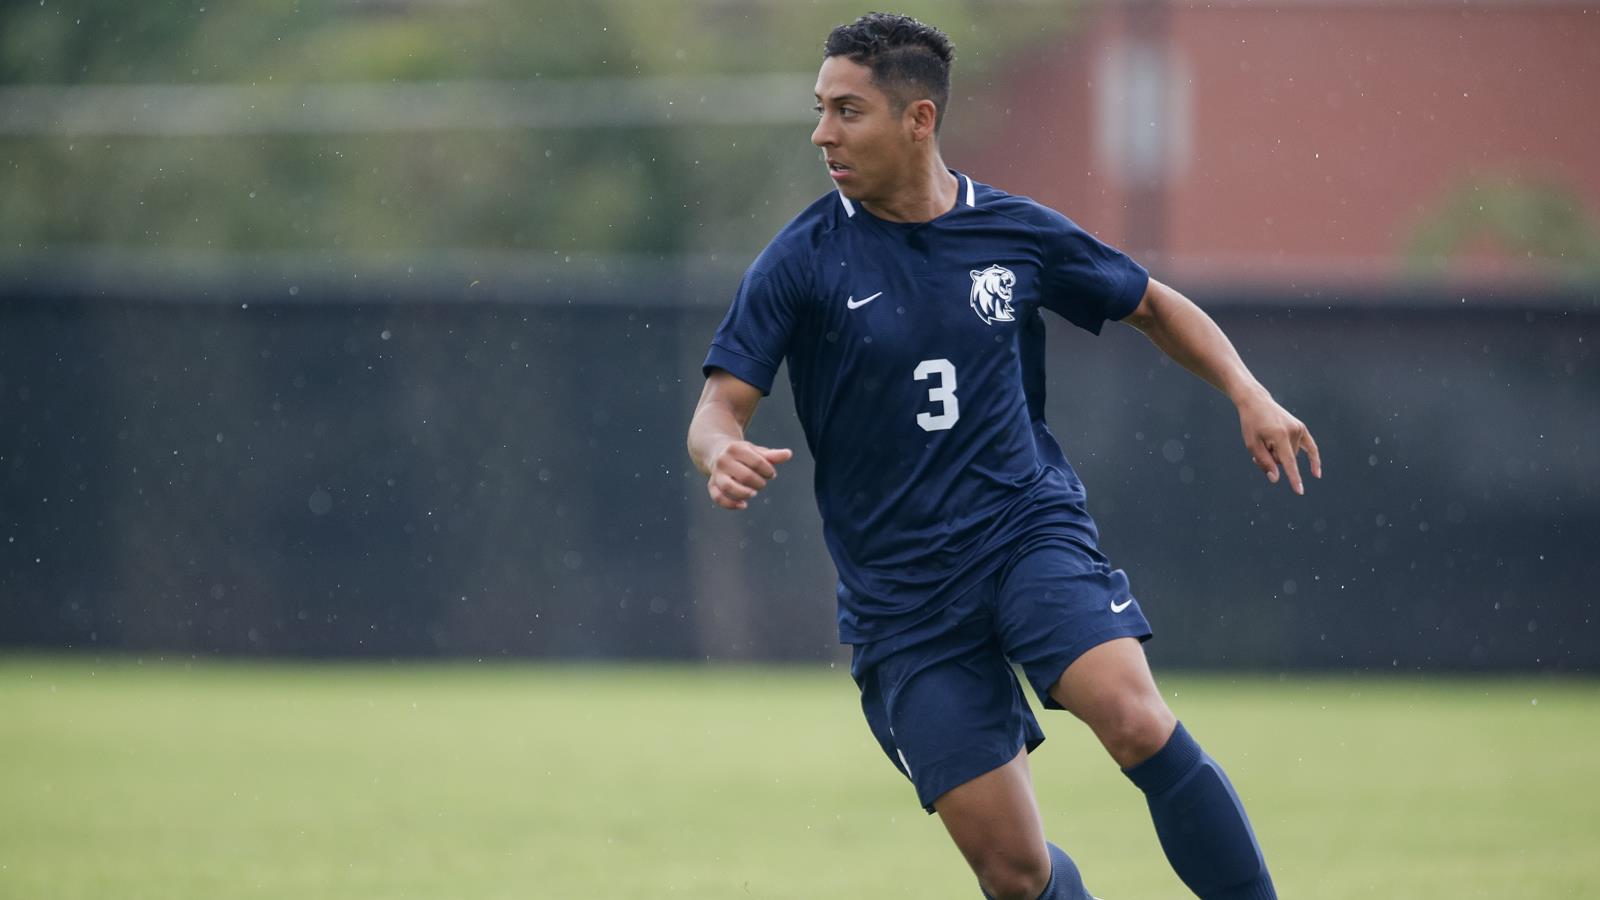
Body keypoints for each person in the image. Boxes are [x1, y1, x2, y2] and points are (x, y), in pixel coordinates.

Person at [686, 12, 1319, 900]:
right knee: (1016, 875)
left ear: (919, 120)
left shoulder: (1014, 233)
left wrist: (1248, 392)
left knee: (1134, 719)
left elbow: (1153, 304)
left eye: (847, 110)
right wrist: (721, 452)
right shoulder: (802, 258)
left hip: (1024, 531)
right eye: (820, 109)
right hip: (901, 598)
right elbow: (718, 406)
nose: (822, 132)